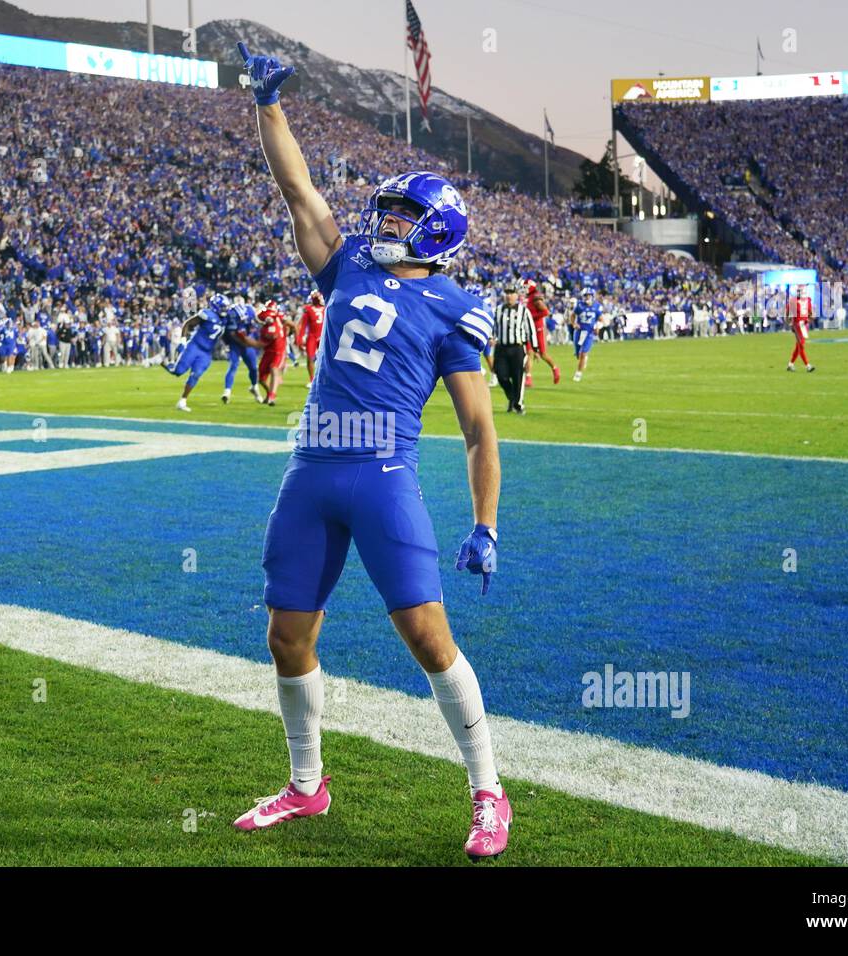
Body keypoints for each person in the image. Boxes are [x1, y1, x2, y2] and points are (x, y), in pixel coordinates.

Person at [234, 42, 509, 860]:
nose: (382, 223)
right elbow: (297, 188)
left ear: (437, 233)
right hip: (312, 467)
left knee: (427, 634)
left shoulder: (458, 308)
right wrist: (268, 105)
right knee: (288, 635)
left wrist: (485, 521)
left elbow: (478, 429)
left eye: (400, 218)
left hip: (383, 471)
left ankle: (488, 791)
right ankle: (306, 785)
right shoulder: (347, 261)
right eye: (384, 213)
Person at [168, 292, 229, 412]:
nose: (224, 309)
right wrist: (183, 341)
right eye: (222, 307)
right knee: (178, 372)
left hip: (206, 353)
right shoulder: (207, 314)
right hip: (194, 346)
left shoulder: (226, 319)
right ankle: (169, 362)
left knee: (196, 375)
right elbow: (188, 323)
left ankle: (182, 401)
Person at [492, 284, 536, 413]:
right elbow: (493, 327)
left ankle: (518, 404)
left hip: (517, 348)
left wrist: (532, 352)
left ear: (517, 295)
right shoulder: (498, 310)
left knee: (518, 378)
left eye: (511, 293)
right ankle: (512, 397)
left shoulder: (524, 311)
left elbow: (530, 332)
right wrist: (491, 337)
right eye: (507, 292)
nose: (509, 295)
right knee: (501, 376)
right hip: (501, 348)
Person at [220, 297, 261, 404]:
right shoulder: (232, 313)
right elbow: (230, 333)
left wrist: (265, 322)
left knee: (253, 368)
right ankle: (227, 392)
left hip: (246, 341)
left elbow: (256, 322)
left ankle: (255, 387)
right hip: (236, 343)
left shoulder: (250, 310)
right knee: (233, 365)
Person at [523, 280, 560, 385]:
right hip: (530, 329)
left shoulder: (535, 297)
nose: (524, 288)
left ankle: (555, 368)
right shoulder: (529, 297)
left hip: (538, 329)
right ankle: (528, 378)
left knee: (543, 354)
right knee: (529, 353)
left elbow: (545, 312)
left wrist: (530, 317)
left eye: (526, 286)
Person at [296, 289, 325, 381]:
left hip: (322, 335)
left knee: (325, 359)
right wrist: (299, 339)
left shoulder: (325, 308)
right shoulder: (308, 310)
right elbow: (303, 326)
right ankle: (312, 380)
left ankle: (323, 378)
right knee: (310, 357)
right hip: (313, 335)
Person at [572, 287, 601, 382]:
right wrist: (574, 324)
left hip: (589, 333)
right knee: (577, 354)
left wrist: (598, 327)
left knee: (583, 354)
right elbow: (572, 315)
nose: (587, 297)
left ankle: (578, 373)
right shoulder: (579, 305)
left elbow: (601, 319)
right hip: (579, 332)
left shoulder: (596, 306)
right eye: (585, 295)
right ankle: (583, 359)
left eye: (589, 295)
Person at [786, 285, 814, 372]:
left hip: (804, 325)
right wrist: (790, 324)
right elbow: (787, 314)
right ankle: (808, 366)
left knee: (798, 346)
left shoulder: (808, 300)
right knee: (801, 345)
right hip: (797, 325)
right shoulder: (793, 301)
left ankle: (790, 364)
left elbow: (810, 313)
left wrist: (809, 319)